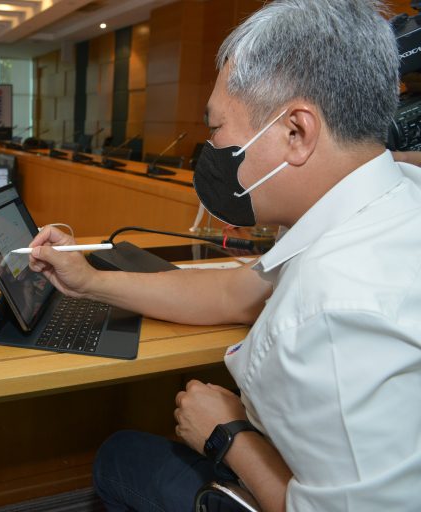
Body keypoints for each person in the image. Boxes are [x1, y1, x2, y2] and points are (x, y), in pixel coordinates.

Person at [27, 1, 421, 510]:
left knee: (119, 457)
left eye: (216, 129)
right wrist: (88, 280)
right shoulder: (394, 192)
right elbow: (232, 294)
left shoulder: (332, 311)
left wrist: (229, 435)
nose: (211, 147)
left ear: (296, 132)